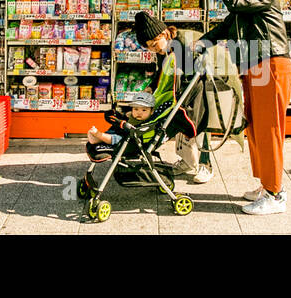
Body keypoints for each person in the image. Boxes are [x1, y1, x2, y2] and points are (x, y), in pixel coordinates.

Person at [201, 0, 291, 215]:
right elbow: (224, 28)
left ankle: (275, 194)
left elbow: (236, 6)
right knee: (255, 129)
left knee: (268, 130)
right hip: (253, 65)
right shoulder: (246, 3)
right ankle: (267, 185)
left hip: (270, 64)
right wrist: (197, 43)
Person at [86, 14, 211, 183]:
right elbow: (162, 71)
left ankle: (206, 165)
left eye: (154, 45)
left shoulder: (184, 45)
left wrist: (177, 99)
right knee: (181, 129)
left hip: (200, 90)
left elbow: (190, 77)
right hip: (176, 97)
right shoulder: (164, 50)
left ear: (163, 34)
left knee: (201, 126)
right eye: (149, 48)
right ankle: (188, 162)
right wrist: (152, 86)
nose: (153, 50)